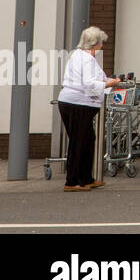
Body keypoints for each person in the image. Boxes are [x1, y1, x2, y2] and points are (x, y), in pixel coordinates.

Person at [57, 27, 122, 191]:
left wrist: (107, 81)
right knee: (80, 141)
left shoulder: (78, 55)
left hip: (71, 101)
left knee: (86, 139)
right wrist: (111, 83)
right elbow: (89, 83)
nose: (102, 46)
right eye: (101, 43)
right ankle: (73, 181)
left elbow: (90, 79)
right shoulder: (87, 60)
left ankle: (85, 178)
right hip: (78, 103)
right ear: (95, 43)